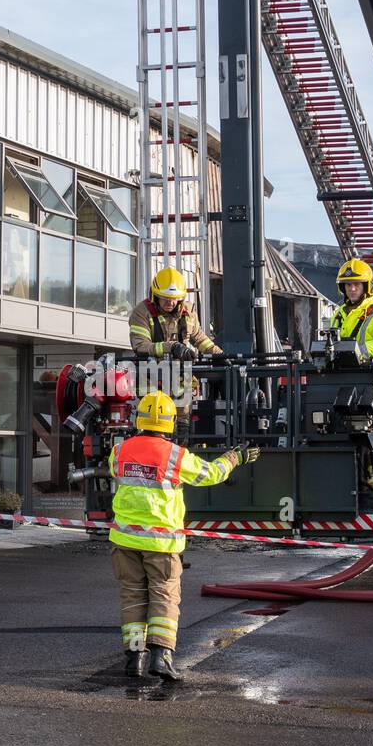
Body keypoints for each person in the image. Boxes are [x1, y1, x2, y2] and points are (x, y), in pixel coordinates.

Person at [108, 390, 258, 681]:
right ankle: (161, 658)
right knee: (164, 598)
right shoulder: (174, 455)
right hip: (161, 544)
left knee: (133, 598)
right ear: (170, 423)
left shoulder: (120, 450)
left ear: (139, 418)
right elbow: (211, 474)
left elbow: (116, 472)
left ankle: (135, 659)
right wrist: (234, 457)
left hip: (124, 541)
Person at [128, 266, 222, 362]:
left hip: (182, 372)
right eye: (165, 298)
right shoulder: (141, 313)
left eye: (174, 298)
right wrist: (172, 347)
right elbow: (141, 347)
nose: (170, 302)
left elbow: (201, 340)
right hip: (150, 372)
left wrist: (219, 355)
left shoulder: (187, 313)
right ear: (155, 296)